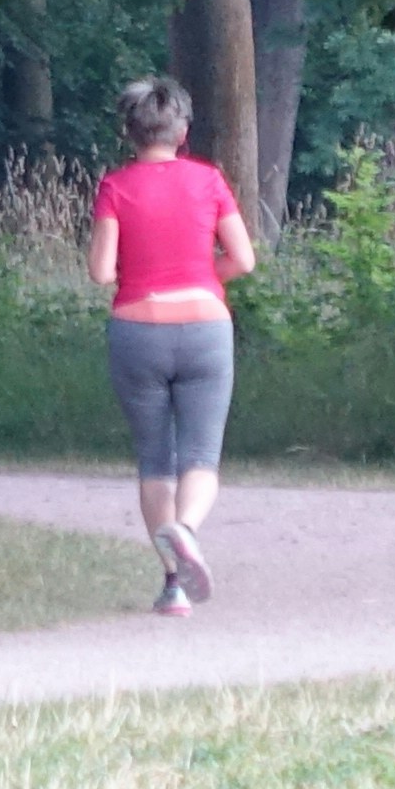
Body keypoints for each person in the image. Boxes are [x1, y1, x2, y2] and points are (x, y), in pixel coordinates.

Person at [89, 74, 256, 614]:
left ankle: (173, 587)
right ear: (182, 132)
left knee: (155, 461)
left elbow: (100, 272)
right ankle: (185, 529)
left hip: (137, 329)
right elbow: (243, 260)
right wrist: (203, 276)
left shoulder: (115, 187)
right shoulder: (208, 181)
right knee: (201, 456)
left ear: (129, 133)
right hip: (206, 324)